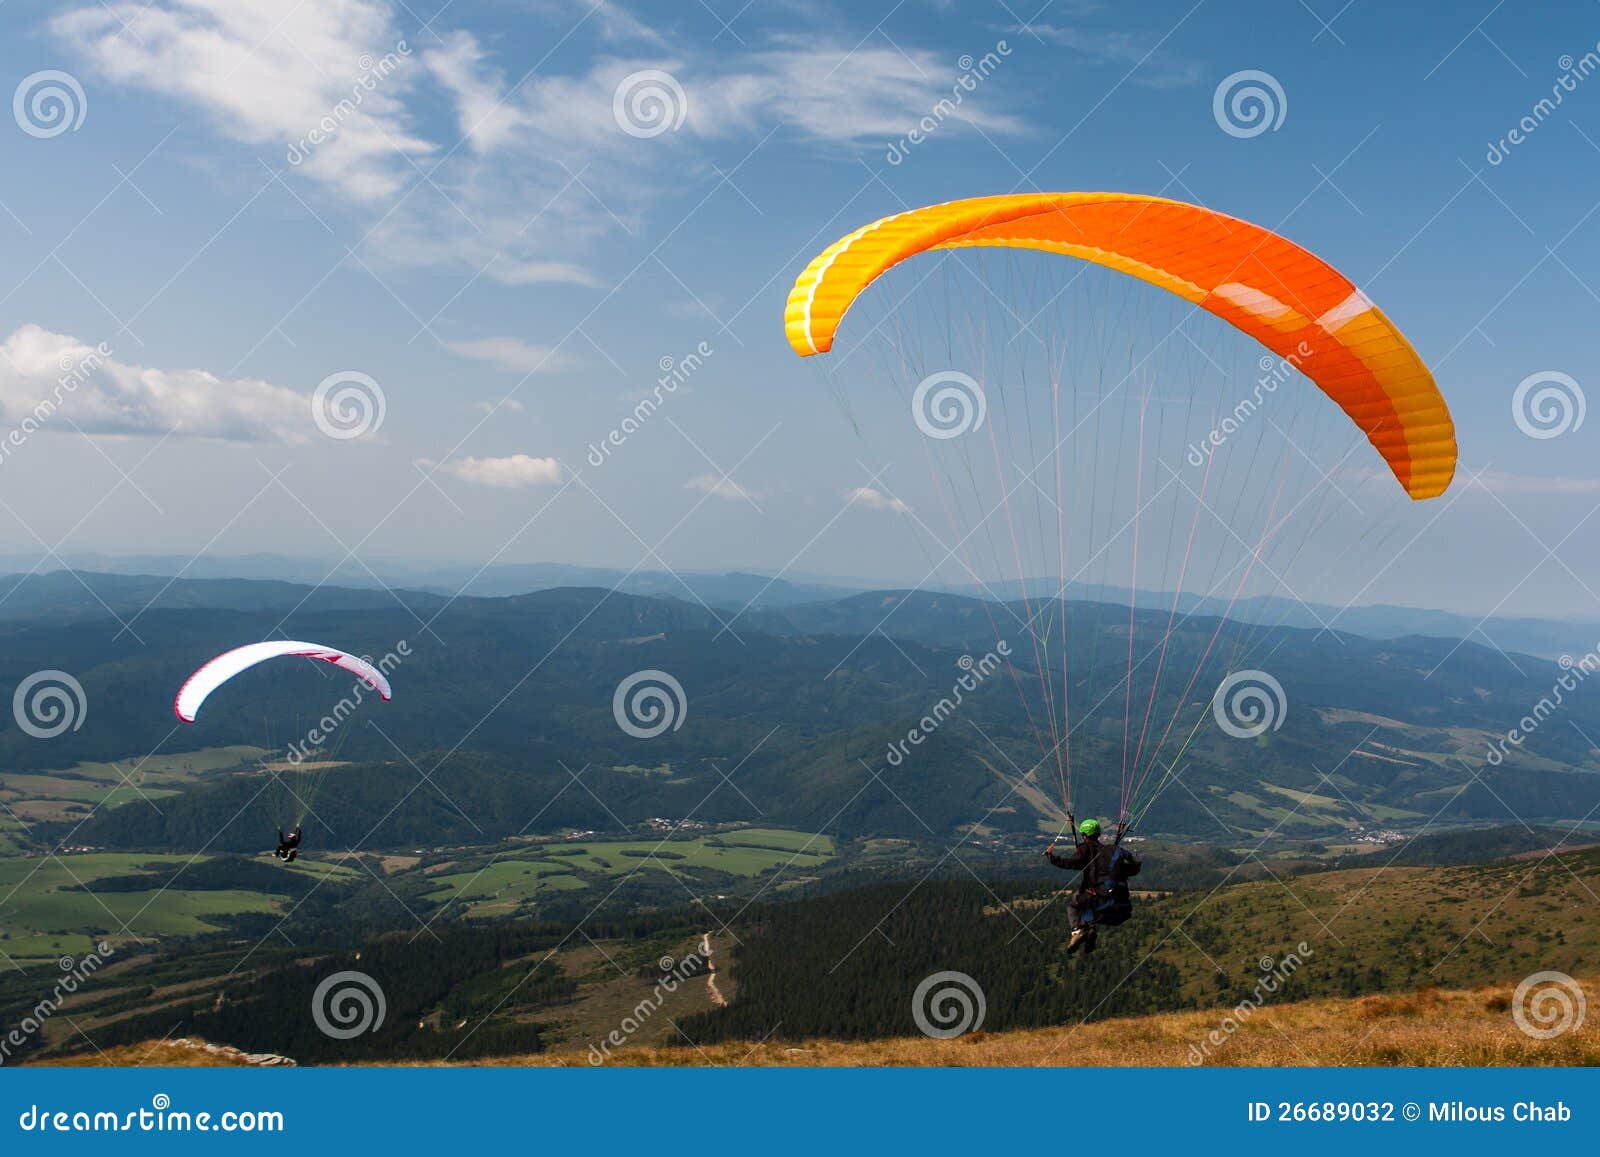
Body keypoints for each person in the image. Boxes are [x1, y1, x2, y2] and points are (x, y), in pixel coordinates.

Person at [1044, 818, 1140, 954]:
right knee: (1086, 904)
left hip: (1100, 898)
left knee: (1073, 904)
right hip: (1121, 905)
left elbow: (1072, 863)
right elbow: (1133, 867)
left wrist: (1052, 858)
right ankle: (1089, 931)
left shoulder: (1085, 848)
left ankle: (1079, 931)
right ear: (1098, 834)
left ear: (1083, 836)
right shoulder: (1114, 850)